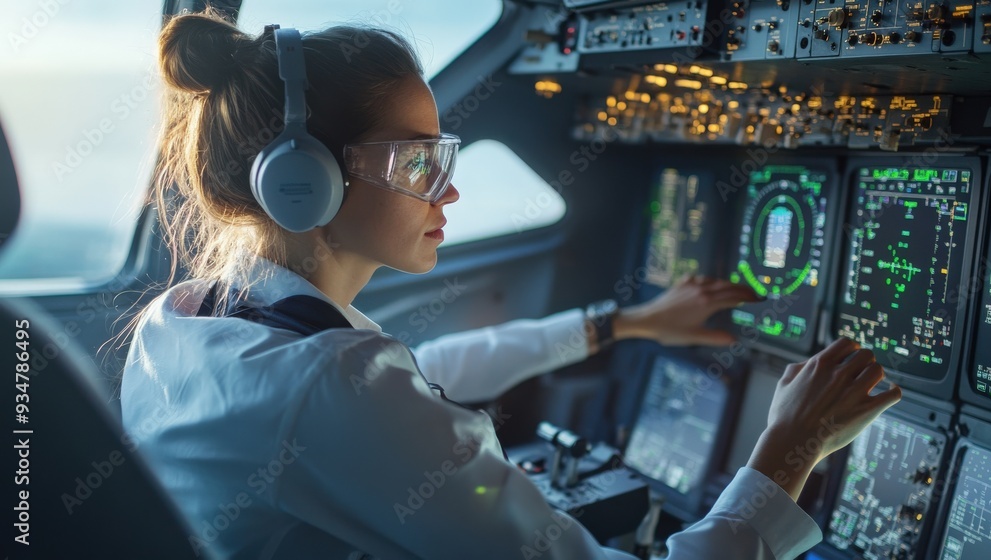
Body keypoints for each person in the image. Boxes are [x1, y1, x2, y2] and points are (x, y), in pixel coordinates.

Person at [120, 9, 903, 560]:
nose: (448, 193)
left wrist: (620, 324)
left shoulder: (186, 321)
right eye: (419, 162)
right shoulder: (328, 384)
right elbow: (372, 396)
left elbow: (423, 380)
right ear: (306, 184)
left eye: (445, 156)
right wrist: (790, 450)